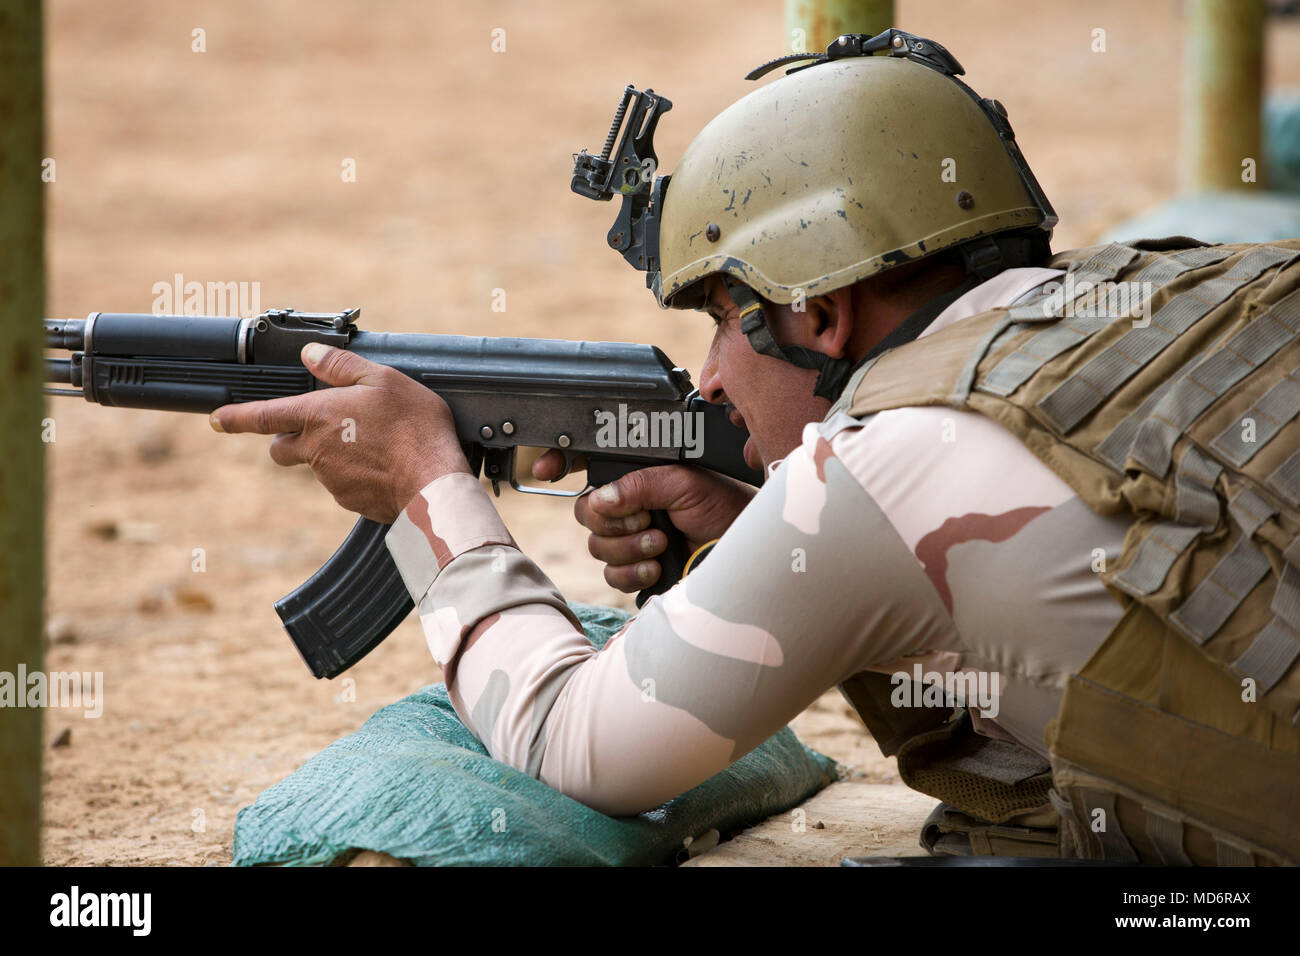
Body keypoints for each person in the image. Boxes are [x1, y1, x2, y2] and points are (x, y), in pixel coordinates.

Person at [210, 30, 1300, 864]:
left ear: (816, 315)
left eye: (720, 322)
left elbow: (572, 742)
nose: (710, 379)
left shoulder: (872, 471)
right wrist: (757, 541)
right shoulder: (1174, 287)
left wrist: (424, 486)